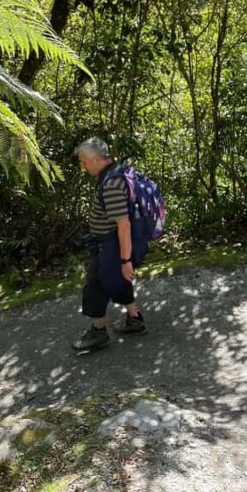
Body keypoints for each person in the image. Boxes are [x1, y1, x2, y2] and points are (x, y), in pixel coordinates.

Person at [71, 137, 147, 351]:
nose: (83, 166)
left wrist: (125, 260)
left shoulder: (112, 184)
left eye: (84, 162)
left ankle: (98, 332)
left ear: (96, 159)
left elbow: (124, 225)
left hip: (111, 244)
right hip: (110, 243)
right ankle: (135, 319)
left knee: (95, 286)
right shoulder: (116, 171)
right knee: (120, 279)